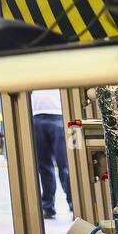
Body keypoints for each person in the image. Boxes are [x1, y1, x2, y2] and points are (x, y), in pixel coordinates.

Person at [32, 88, 74, 219]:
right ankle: (48, 207)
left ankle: (73, 203)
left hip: (58, 114)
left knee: (65, 165)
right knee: (43, 166)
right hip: (36, 116)